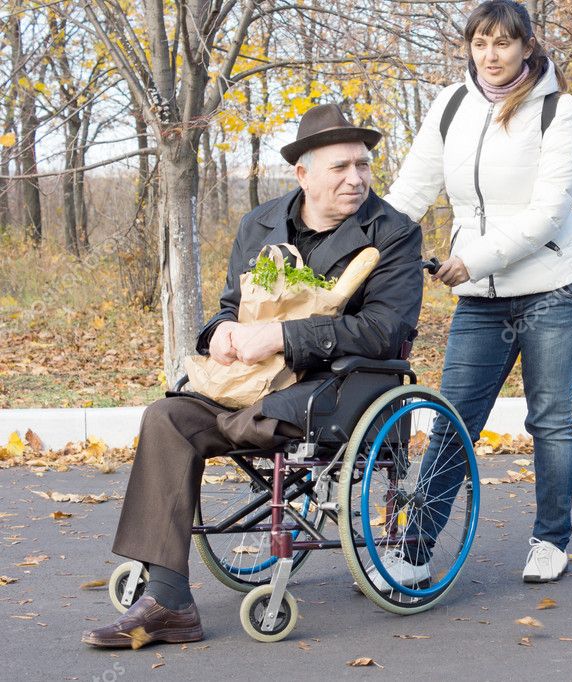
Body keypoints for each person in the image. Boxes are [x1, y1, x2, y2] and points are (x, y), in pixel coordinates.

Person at [82, 103, 424, 649]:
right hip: (248, 383)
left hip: (340, 386)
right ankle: (169, 598)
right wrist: (215, 333)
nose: (356, 178)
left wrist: (287, 339)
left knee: (269, 415)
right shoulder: (260, 224)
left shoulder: (393, 233)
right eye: (340, 167)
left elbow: (387, 330)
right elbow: (230, 306)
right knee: (167, 416)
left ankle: (168, 595)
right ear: (303, 173)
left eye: (363, 165)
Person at [381, 0, 572, 585]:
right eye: (480, 43)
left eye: (503, 43)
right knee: (453, 422)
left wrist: (470, 260)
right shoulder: (452, 105)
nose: (491, 55)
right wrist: (362, 247)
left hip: (554, 292)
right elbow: (410, 191)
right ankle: (417, 551)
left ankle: (550, 540)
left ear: (527, 46)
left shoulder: (558, 111)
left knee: (549, 420)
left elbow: (549, 214)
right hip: (479, 302)